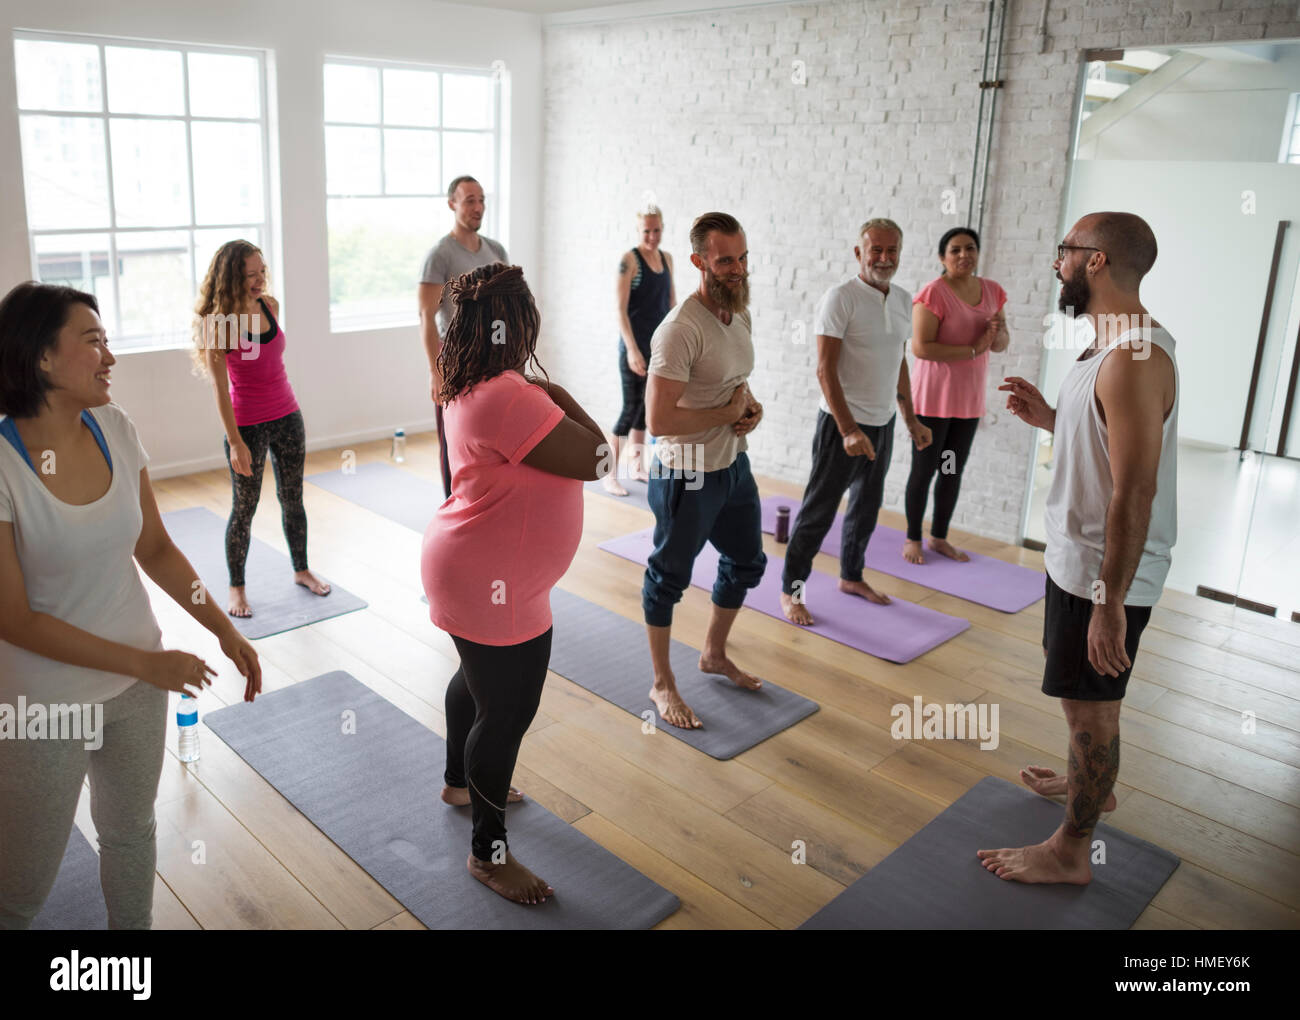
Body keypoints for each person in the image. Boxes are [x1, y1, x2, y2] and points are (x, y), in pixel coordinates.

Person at [0, 282, 262, 929]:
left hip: (139, 688)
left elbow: (156, 548)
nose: (110, 356)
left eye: (109, 340)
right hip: (43, 707)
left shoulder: (116, 428)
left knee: (130, 834)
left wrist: (224, 631)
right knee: (23, 887)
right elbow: (14, 619)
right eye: (93, 341)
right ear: (40, 358)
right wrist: (149, 665)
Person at [983, 211, 1176, 884]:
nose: (1055, 263)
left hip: (1102, 574)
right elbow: (1106, 438)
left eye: (1064, 251)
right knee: (1078, 703)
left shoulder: (1133, 357)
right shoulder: (1107, 343)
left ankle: (1071, 852)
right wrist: (1052, 419)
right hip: (1075, 562)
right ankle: (1092, 785)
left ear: (1095, 262)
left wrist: (1110, 601)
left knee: (1094, 711)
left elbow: (1135, 492)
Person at [421, 263, 605, 905]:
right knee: (505, 715)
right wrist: (550, 390)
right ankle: (489, 855)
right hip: (493, 583)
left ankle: (456, 782)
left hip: (472, 573)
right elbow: (600, 455)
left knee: (475, 685)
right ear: (518, 323)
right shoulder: (511, 395)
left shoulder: (466, 383)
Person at [642, 212, 766, 730]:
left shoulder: (739, 313)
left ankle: (713, 653)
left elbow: (735, 382)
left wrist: (752, 408)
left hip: (731, 466)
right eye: (725, 261)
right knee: (668, 579)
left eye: (741, 258)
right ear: (698, 262)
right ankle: (662, 683)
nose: (737, 269)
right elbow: (659, 419)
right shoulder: (679, 330)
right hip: (686, 474)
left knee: (747, 562)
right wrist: (725, 415)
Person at [779, 218, 932, 626]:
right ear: (859, 253)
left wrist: (911, 419)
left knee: (866, 507)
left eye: (891, 250)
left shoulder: (902, 298)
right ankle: (791, 592)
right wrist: (848, 429)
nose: (884, 258)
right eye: (875, 250)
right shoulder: (840, 298)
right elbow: (825, 370)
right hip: (840, 427)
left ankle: (851, 577)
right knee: (818, 512)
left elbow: (899, 360)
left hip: (883, 425)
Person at [193, 240, 330, 619]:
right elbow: (220, 390)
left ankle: (301, 570)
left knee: (292, 498)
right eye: (250, 275)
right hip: (247, 424)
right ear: (231, 277)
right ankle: (237, 589)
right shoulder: (216, 324)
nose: (259, 280)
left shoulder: (270, 307)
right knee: (245, 508)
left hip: (288, 415)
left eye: (262, 272)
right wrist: (235, 441)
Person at [903, 226, 1009, 565]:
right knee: (925, 470)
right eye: (956, 250)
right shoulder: (933, 293)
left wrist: (998, 333)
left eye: (970, 248)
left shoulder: (993, 291)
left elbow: (1002, 344)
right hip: (933, 398)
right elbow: (921, 348)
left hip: (967, 400)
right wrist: (974, 349)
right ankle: (913, 538)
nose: (964, 255)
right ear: (942, 257)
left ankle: (939, 537)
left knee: (951, 470)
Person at [418, 175, 509, 497]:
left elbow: (506, 307)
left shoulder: (496, 250)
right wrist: (436, 372)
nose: (478, 207)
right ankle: (454, 505)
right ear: (452, 204)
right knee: (455, 438)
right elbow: (426, 316)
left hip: (494, 358)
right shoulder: (440, 255)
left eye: (481, 199)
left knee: (492, 436)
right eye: (470, 200)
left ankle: (487, 501)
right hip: (455, 358)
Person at [605, 203, 676, 495]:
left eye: (656, 230)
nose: (652, 236)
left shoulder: (668, 259)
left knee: (646, 409)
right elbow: (620, 310)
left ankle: (636, 466)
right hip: (633, 348)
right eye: (646, 231)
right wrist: (633, 350)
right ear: (638, 230)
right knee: (630, 408)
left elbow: (671, 304)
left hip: (658, 348)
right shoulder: (629, 261)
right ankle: (608, 475)